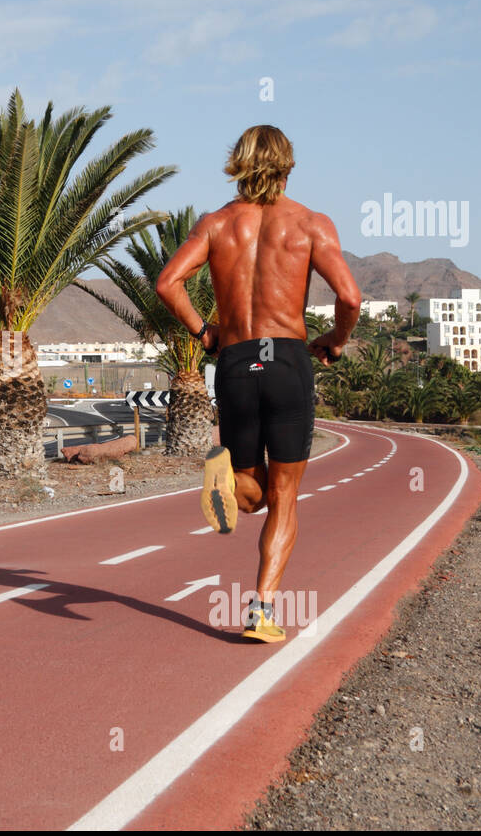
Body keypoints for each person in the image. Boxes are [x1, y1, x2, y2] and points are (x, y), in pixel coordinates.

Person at [155, 125, 361, 643]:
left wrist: (205, 331)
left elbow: (167, 283)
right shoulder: (311, 224)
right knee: (283, 498)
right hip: (287, 359)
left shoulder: (216, 224)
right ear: (289, 165)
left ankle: (226, 476)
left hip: (237, 360)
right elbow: (351, 297)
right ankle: (262, 609)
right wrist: (334, 338)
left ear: (238, 163)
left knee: (250, 498)